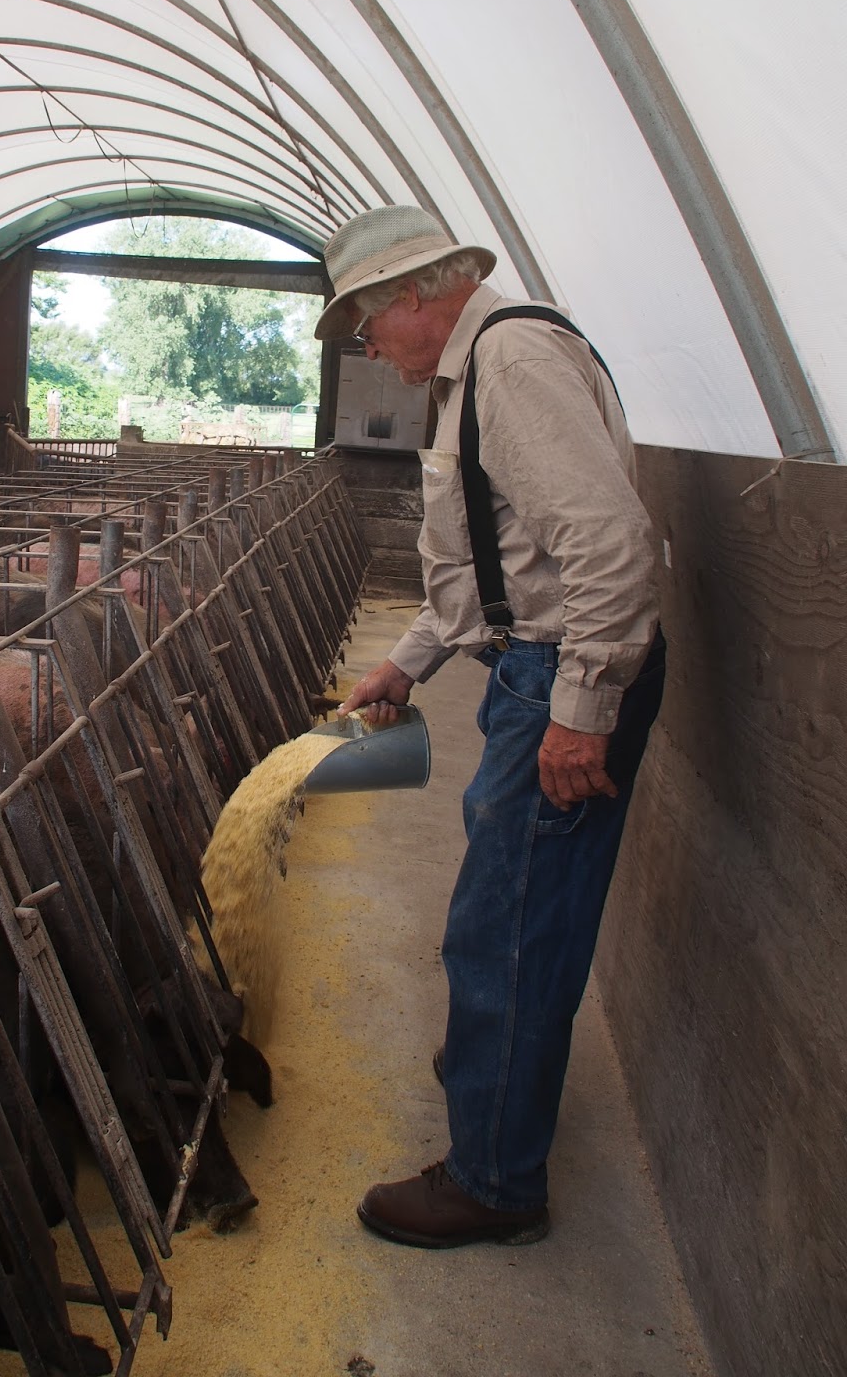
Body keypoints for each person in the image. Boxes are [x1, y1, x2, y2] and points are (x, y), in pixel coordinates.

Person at [318, 205, 664, 1249]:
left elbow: (609, 548)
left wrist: (580, 714)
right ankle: (494, 1069)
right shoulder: (478, 375)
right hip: (536, 671)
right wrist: (406, 660)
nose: (368, 349)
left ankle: (496, 1179)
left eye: (368, 326)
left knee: (506, 926)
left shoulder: (509, 365)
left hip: (562, 679)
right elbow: (490, 555)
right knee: (515, 906)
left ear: (417, 294)